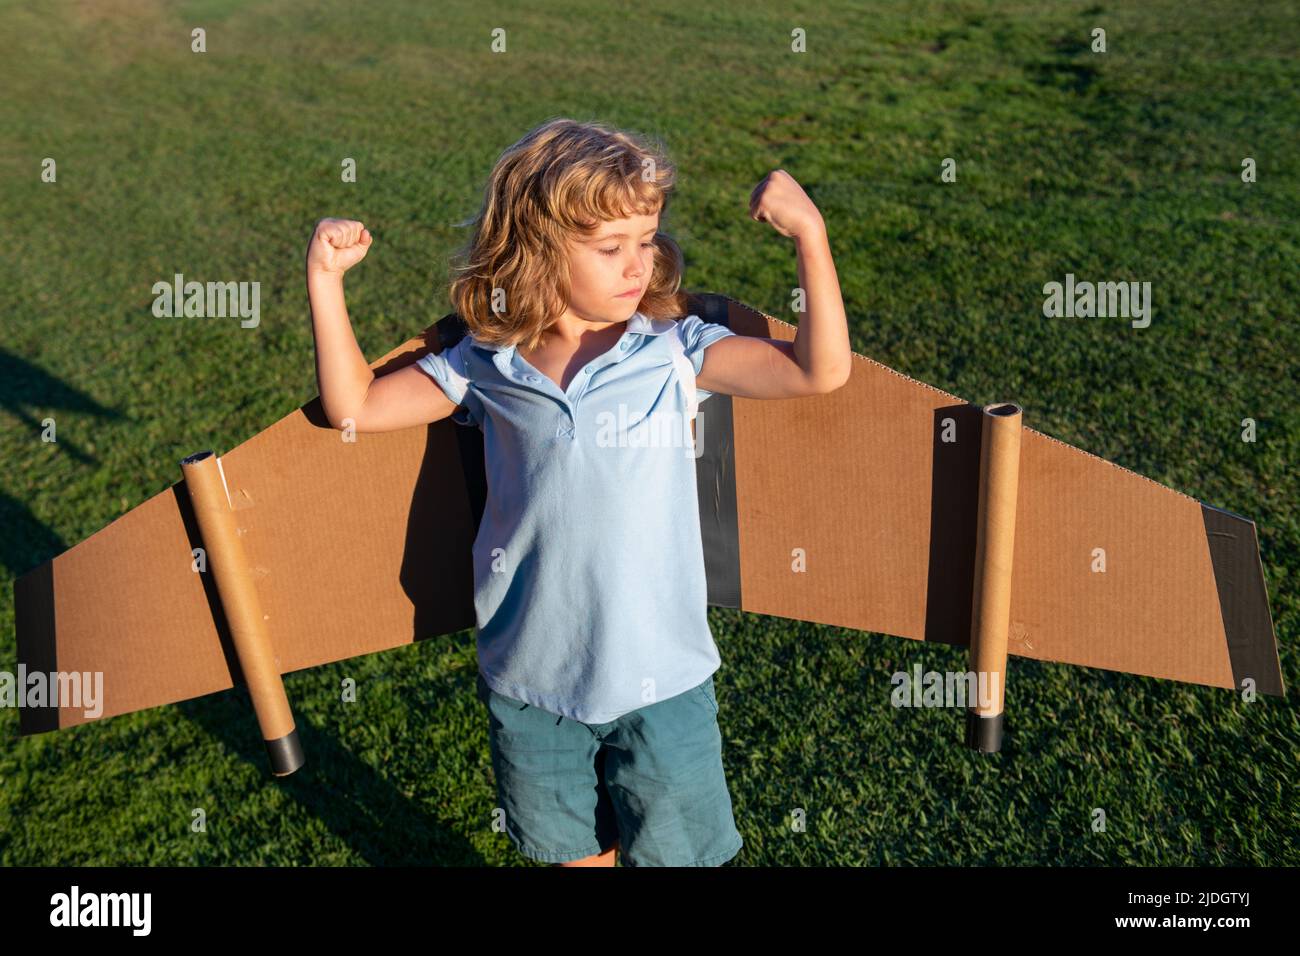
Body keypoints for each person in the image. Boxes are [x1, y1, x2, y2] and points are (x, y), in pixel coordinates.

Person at [305, 118, 851, 866]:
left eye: (647, 240)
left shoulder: (671, 350)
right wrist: (325, 281)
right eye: (611, 247)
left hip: (662, 676)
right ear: (537, 248)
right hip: (531, 682)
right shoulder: (488, 361)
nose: (639, 265)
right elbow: (354, 408)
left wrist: (809, 236)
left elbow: (817, 371)